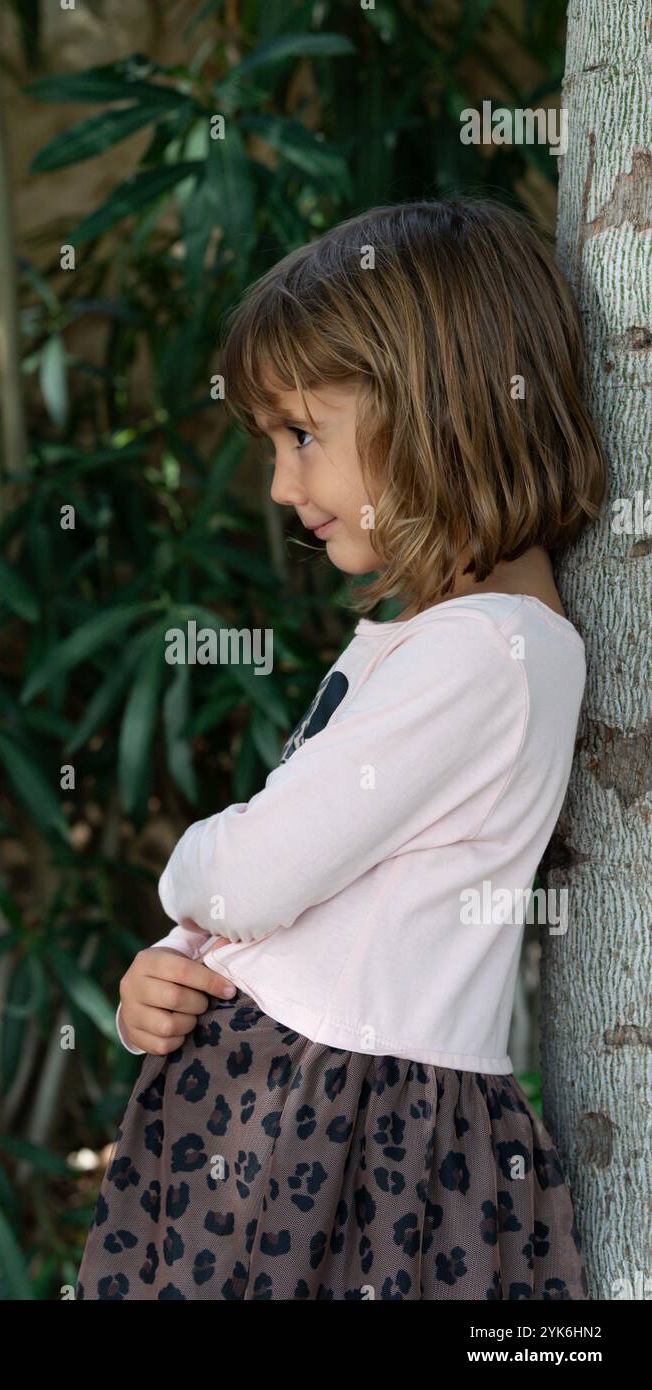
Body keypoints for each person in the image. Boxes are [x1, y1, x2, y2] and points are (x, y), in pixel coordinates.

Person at [75, 197, 608, 1300]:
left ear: (439, 411)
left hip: (319, 1128)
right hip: (284, 1100)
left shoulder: (487, 653)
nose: (280, 485)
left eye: (301, 435)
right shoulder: (436, 644)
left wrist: (188, 870)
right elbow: (295, 886)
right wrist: (166, 968)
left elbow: (260, 872)